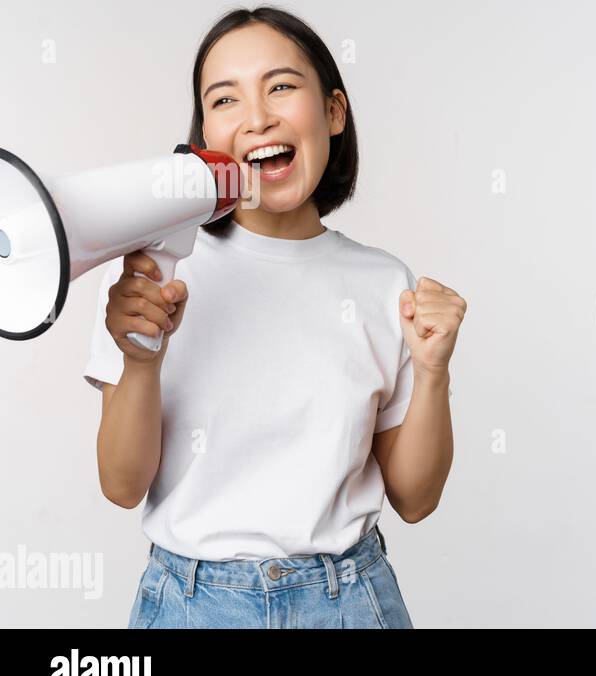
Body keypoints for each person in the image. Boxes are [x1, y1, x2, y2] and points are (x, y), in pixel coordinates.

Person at [83, 6, 466, 628]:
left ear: (333, 112)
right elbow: (123, 485)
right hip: (191, 605)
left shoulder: (383, 283)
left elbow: (416, 499)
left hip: (348, 603)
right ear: (205, 136)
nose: (258, 117)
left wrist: (433, 373)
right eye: (225, 99)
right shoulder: (153, 269)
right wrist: (139, 359)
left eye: (281, 86)